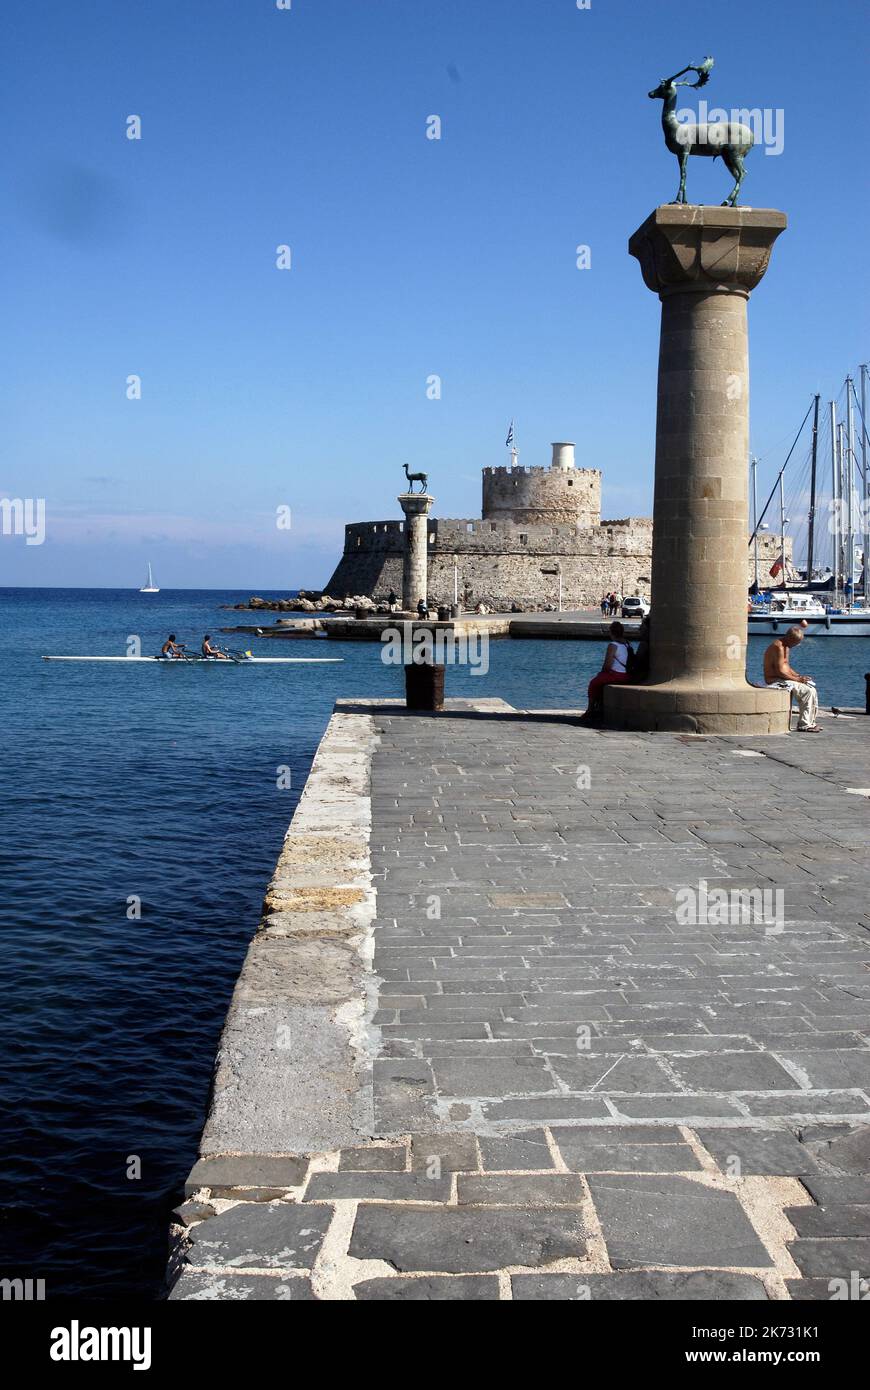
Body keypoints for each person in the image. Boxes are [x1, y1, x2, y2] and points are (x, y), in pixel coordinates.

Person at [763, 624, 821, 732]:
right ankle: (804, 725)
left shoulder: (786, 646)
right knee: (807, 691)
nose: (797, 645)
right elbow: (780, 672)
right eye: (796, 642)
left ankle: (811, 722)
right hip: (774, 679)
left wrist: (799, 676)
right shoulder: (778, 647)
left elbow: (786, 667)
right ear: (790, 639)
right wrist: (798, 680)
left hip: (784, 678)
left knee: (812, 689)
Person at [582, 621, 631, 721]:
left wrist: (601, 673)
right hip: (627, 675)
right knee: (600, 681)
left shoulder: (613, 645)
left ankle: (590, 710)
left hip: (617, 675)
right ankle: (598, 707)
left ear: (611, 633)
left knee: (593, 683)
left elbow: (607, 665)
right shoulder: (627, 644)